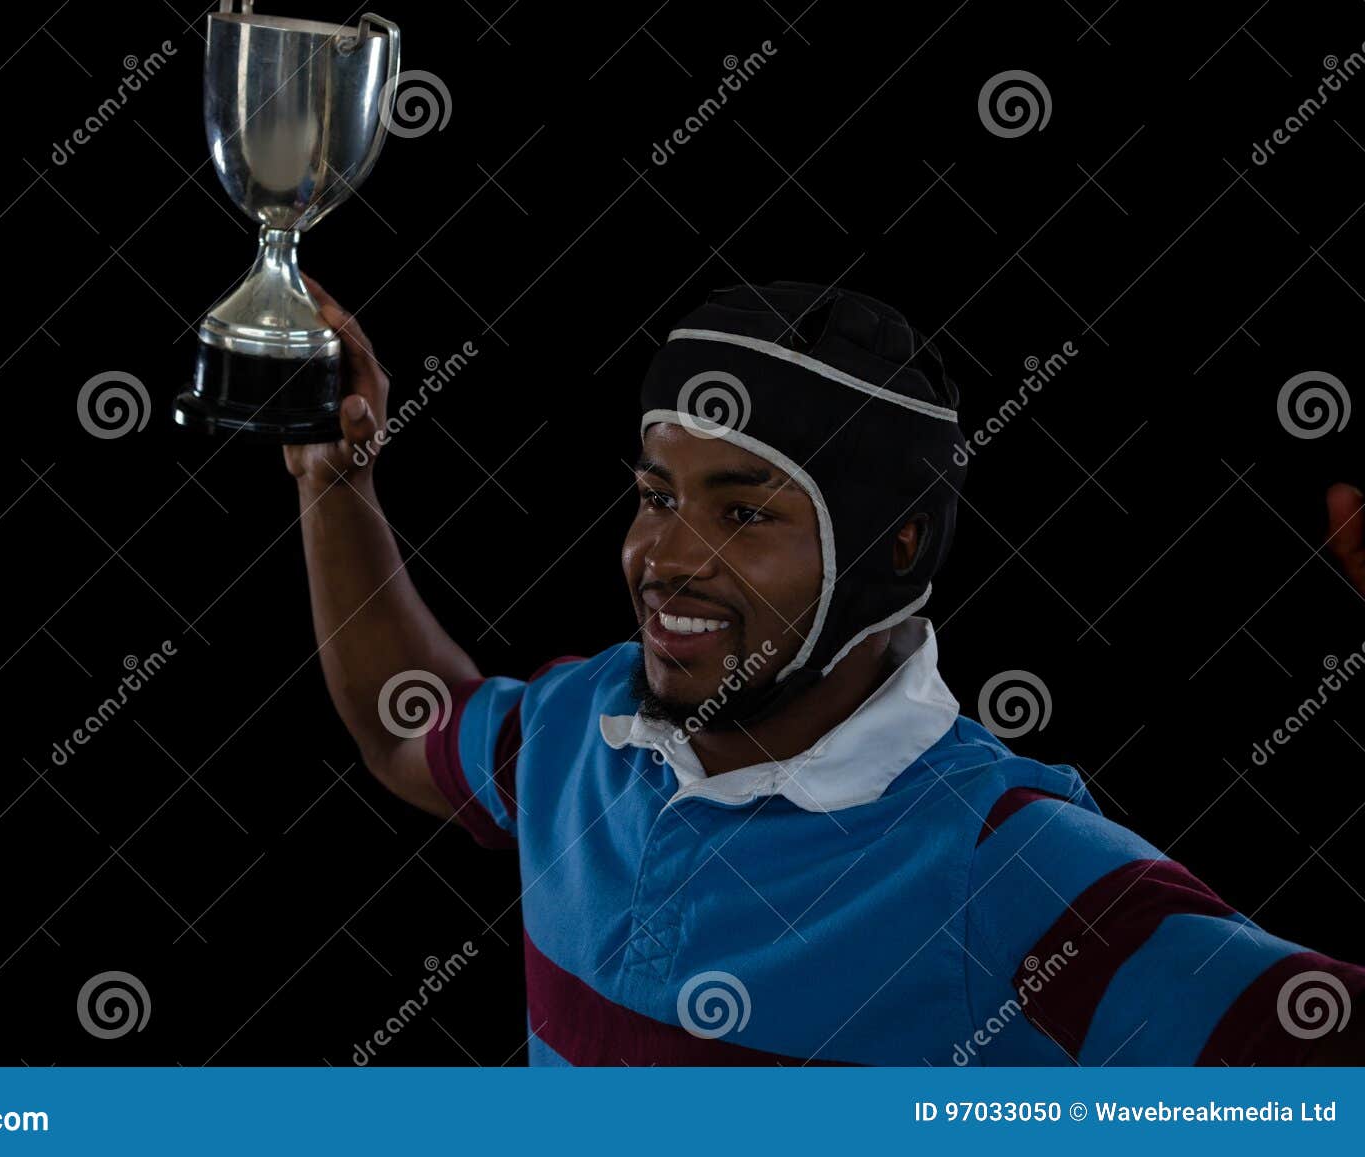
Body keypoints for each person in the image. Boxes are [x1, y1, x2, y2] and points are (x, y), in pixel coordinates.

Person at [286, 276, 1365, 1065]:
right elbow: (399, 730)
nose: (664, 557)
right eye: (657, 493)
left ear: (894, 547)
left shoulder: (1010, 869)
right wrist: (337, 479)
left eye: (742, 509)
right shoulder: (584, 722)